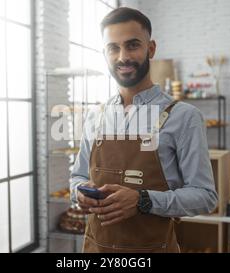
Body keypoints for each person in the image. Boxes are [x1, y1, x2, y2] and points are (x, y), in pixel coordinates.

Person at [70, 7, 217, 253]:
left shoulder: (184, 116)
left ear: (151, 48)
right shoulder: (95, 116)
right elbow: (78, 176)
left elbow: (205, 197)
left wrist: (143, 200)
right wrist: (79, 193)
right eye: (113, 48)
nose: (122, 57)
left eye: (132, 45)